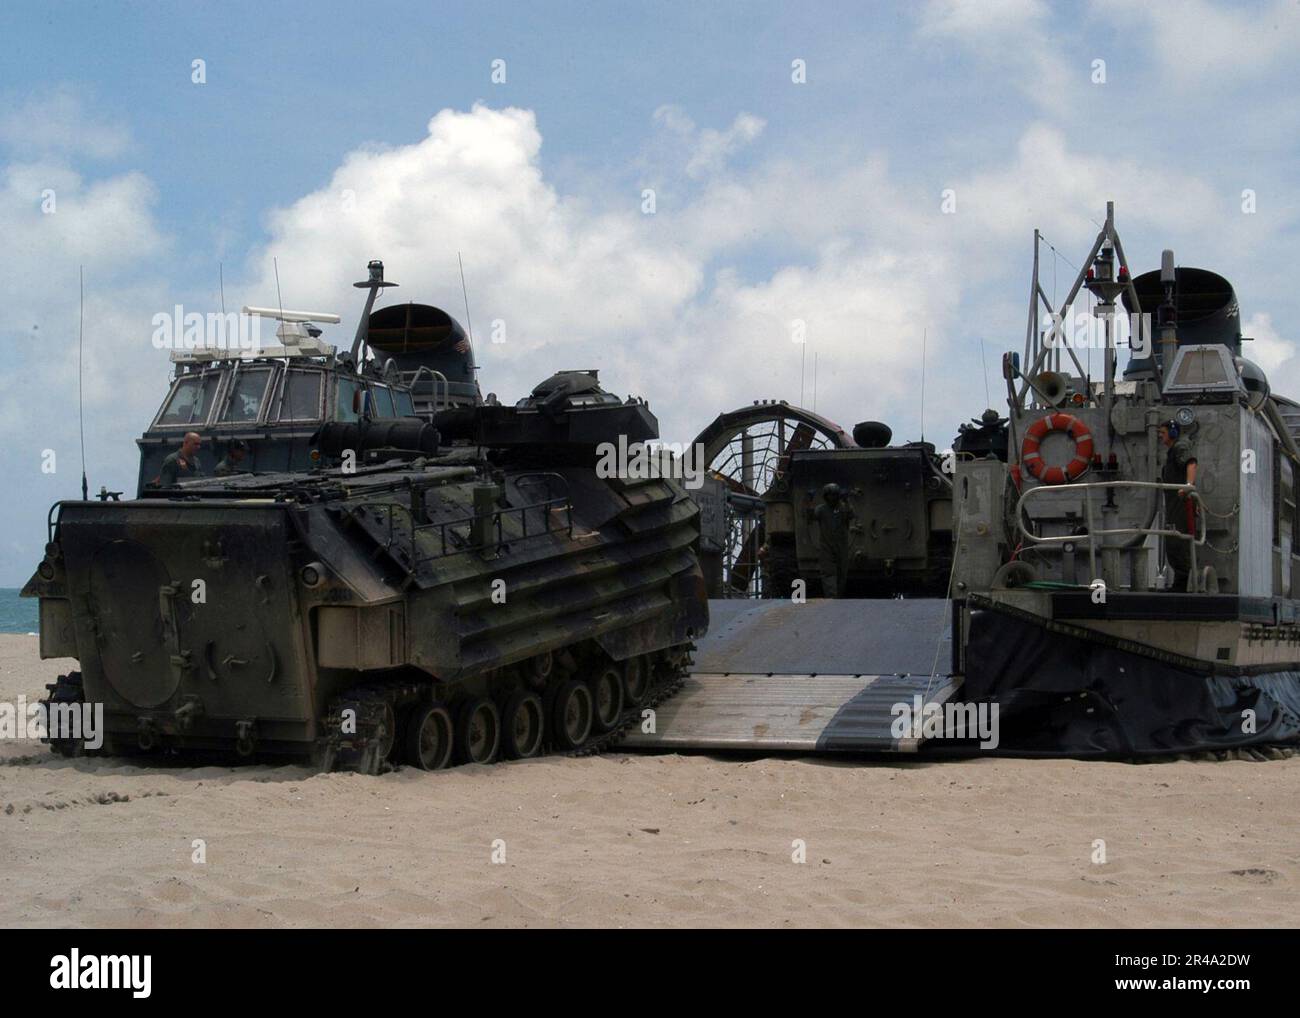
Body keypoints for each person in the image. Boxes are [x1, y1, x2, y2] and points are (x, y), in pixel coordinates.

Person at [1158, 420, 1198, 590]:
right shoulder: (1172, 451)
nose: (1160, 435)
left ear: (1173, 433)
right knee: (1173, 539)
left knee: (1177, 540)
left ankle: (1182, 584)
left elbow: (1191, 463)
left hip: (1181, 503)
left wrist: (1188, 486)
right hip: (1174, 503)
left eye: (1163, 432)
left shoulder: (1180, 447)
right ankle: (1180, 582)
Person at [814, 482, 853, 598]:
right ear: (826, 497)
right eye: (830, 495)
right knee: (829, 574)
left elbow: (851, 514)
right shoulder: (821, 510)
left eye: (834, 495)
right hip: (827, 547)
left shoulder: (843, 509)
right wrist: (808, 501)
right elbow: (810, 515)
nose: (832, 498)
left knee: (842, 574)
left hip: (841, 547)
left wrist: (847, 501)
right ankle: (832, 598)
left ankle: (837, 598)